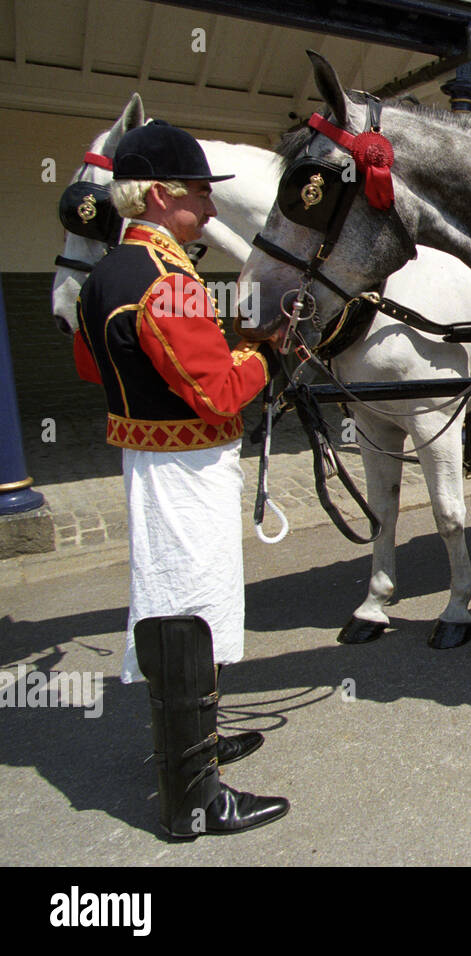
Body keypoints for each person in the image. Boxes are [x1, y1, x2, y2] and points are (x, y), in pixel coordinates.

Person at [72, 119, 289, 836]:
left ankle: (197, 744)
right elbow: (221, 391)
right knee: (190, 613)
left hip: (150, 458)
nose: (210, 203)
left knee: (176, 603)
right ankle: (193, 796)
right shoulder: (166, 282)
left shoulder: (108, 272)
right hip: (188, 467)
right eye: (200, 190)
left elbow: (86, 364)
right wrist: (265, 350)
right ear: (162, 195)